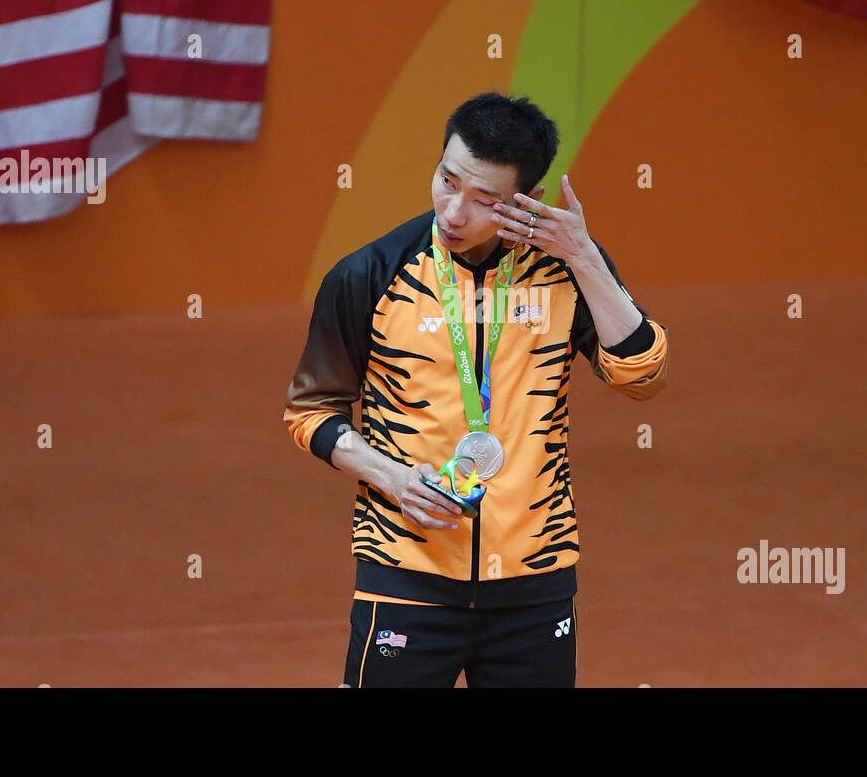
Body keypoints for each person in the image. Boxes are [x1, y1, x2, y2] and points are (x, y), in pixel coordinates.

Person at [284, 91, 670, 687]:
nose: (455, 212)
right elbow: (311, 411)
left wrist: (587, 258)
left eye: (485, 200)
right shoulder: (369, 274)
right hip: (405, 570)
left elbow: (641, 375)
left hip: (533, 580)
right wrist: (391, 477)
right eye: (447, 180)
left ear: (527, 201)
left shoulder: (566, 273)